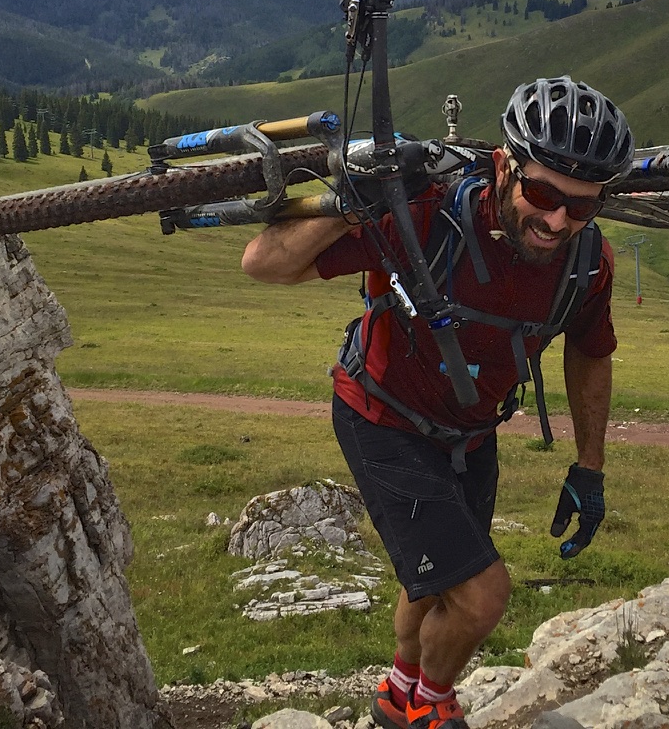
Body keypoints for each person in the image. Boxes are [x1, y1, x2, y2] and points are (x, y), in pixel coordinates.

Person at [241, 77, 634, 729]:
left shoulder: (587, 263)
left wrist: (589, 465)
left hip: (471, 431)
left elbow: (591, 350)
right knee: (482, 597)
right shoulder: (425, 214)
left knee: (431, 587)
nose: (558, 221)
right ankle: (428, 704)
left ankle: (399, 689)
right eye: (542, 194)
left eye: (582, 208)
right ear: (506, 167)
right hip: (380, 415)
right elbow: (264, 263)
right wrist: (351, 201)